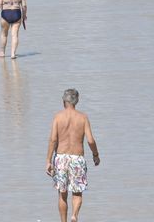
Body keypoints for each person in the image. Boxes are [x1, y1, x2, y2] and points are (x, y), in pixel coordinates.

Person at [47, 88, 100, 222]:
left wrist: (48, 160)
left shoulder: (58, 117)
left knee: (62, 194)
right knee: (77, 192)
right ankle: (74, 215)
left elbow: (53, 139)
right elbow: (90, 140)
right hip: (77, 158)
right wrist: (96, 155)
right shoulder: (83, 117)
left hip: (61, 157)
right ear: (77, 101)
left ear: (63, 101)